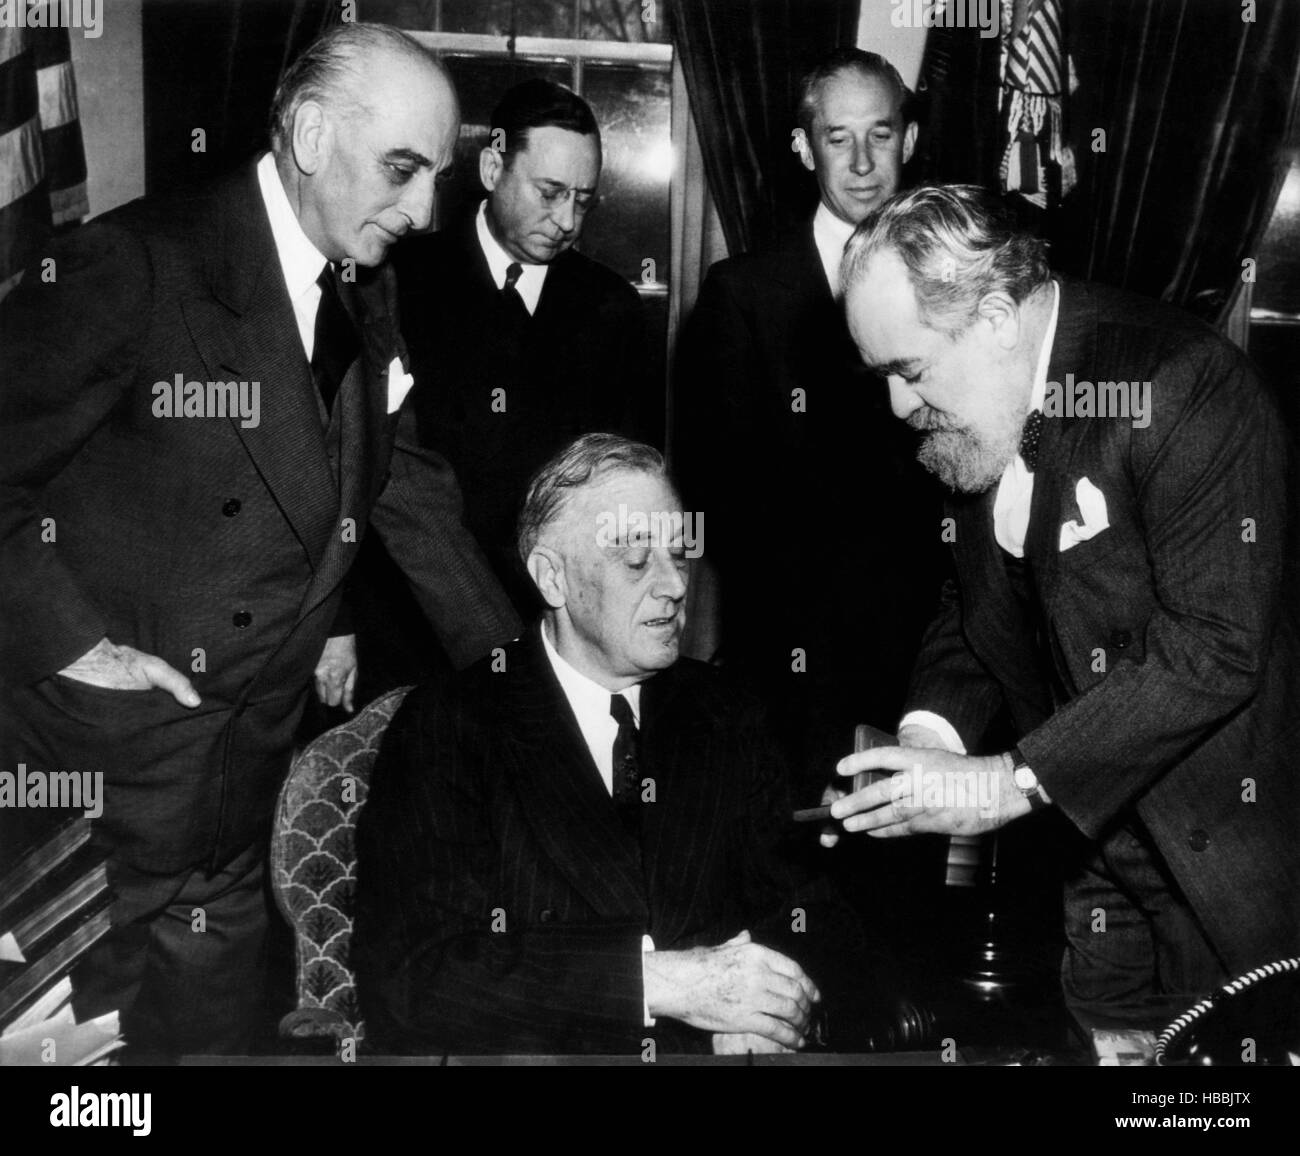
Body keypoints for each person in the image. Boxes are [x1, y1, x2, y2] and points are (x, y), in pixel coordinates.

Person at [0, 23, 520, 1056]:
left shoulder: (363, 278)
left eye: (435, 178)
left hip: (237, 800)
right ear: (312, 133)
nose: (423, 212)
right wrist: (72, 641)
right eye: (404, 170)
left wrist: (526, 685)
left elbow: (405, 493)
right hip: (87, 792)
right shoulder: (138, 263)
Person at [829, 183, 1300, 1033]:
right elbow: (975, 599)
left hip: (1232, 875)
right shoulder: (984, 412)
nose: (898, 407)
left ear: (999, 317)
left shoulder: (1180, 383)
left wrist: (1006, 782)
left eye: (909, 369)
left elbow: (1215, 647)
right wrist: (925, 745)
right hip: (1095, 868)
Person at [355, 434, 889, 1055]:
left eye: (678, 554)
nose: (672, 585)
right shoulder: (450, 725)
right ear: (552, 578)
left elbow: (809, 911)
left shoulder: (727, 712)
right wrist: (657, 983)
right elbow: (417, 980)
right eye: (635, 561)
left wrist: (774, 1001)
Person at [674, 49, 947, 798]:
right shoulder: (743, 295)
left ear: (910, 141)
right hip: (789, 666)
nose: (862, 162)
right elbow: (711, 494)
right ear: (803, 148)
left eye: (881, 135)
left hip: (934, 663)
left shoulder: (956, 285)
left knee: (911, 898)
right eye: (837, 137)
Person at [352, 80, 652, 699]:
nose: (567, 220)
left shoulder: (612, 310)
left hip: (547, 639)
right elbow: (350, 468)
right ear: (492, 166)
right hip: (402, 626)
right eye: (550, 193)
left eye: (584, 201)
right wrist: (338, 623)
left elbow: (624, 492)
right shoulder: (398, 281)